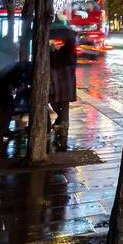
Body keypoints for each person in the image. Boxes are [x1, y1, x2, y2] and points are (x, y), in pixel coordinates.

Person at [48, 22, 78, 151]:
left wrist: (52, 51)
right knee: (63, 108)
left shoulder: (66, 51)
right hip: (67, 86)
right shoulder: (69, 50)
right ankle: (62, 133)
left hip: (60, 85)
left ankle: (62, 130)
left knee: (57, 104)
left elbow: (57, 63)